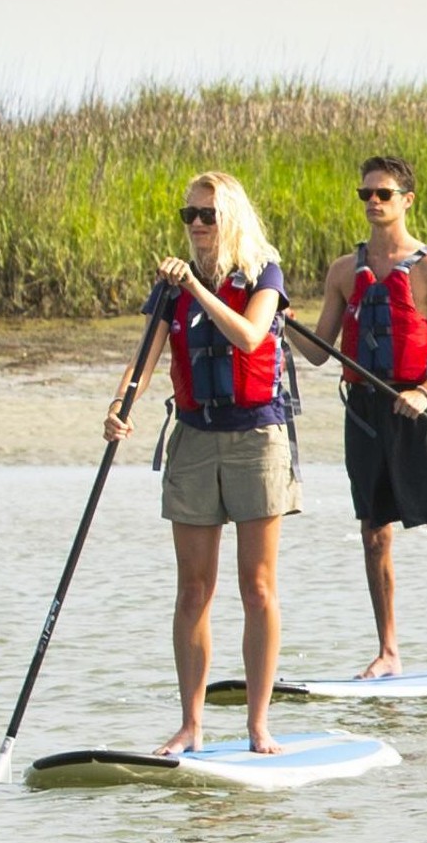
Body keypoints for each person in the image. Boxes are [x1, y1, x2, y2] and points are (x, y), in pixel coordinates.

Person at [105, 168, 293, 756]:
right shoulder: (170, 288)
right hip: (193, 438)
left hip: (256, 439)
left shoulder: (264, 271)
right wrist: (118, 406)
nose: (196, 225)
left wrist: (196, 288)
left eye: (207, 215)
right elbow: (144, 359)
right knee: (193, 590)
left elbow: (249, 337)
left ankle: (258, 725)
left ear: (229, 218)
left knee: (257, 587)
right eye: (189, 215)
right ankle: (191, 723)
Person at [316, 154, 427, 678]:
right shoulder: (344, 272)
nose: (373, 202)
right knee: (375, 533)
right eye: (365, 194)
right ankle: (389, 651)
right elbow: (319, 352)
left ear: (406, 201)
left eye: (383, 194)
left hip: (418, 410)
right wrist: (283, 324)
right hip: (366, 416)